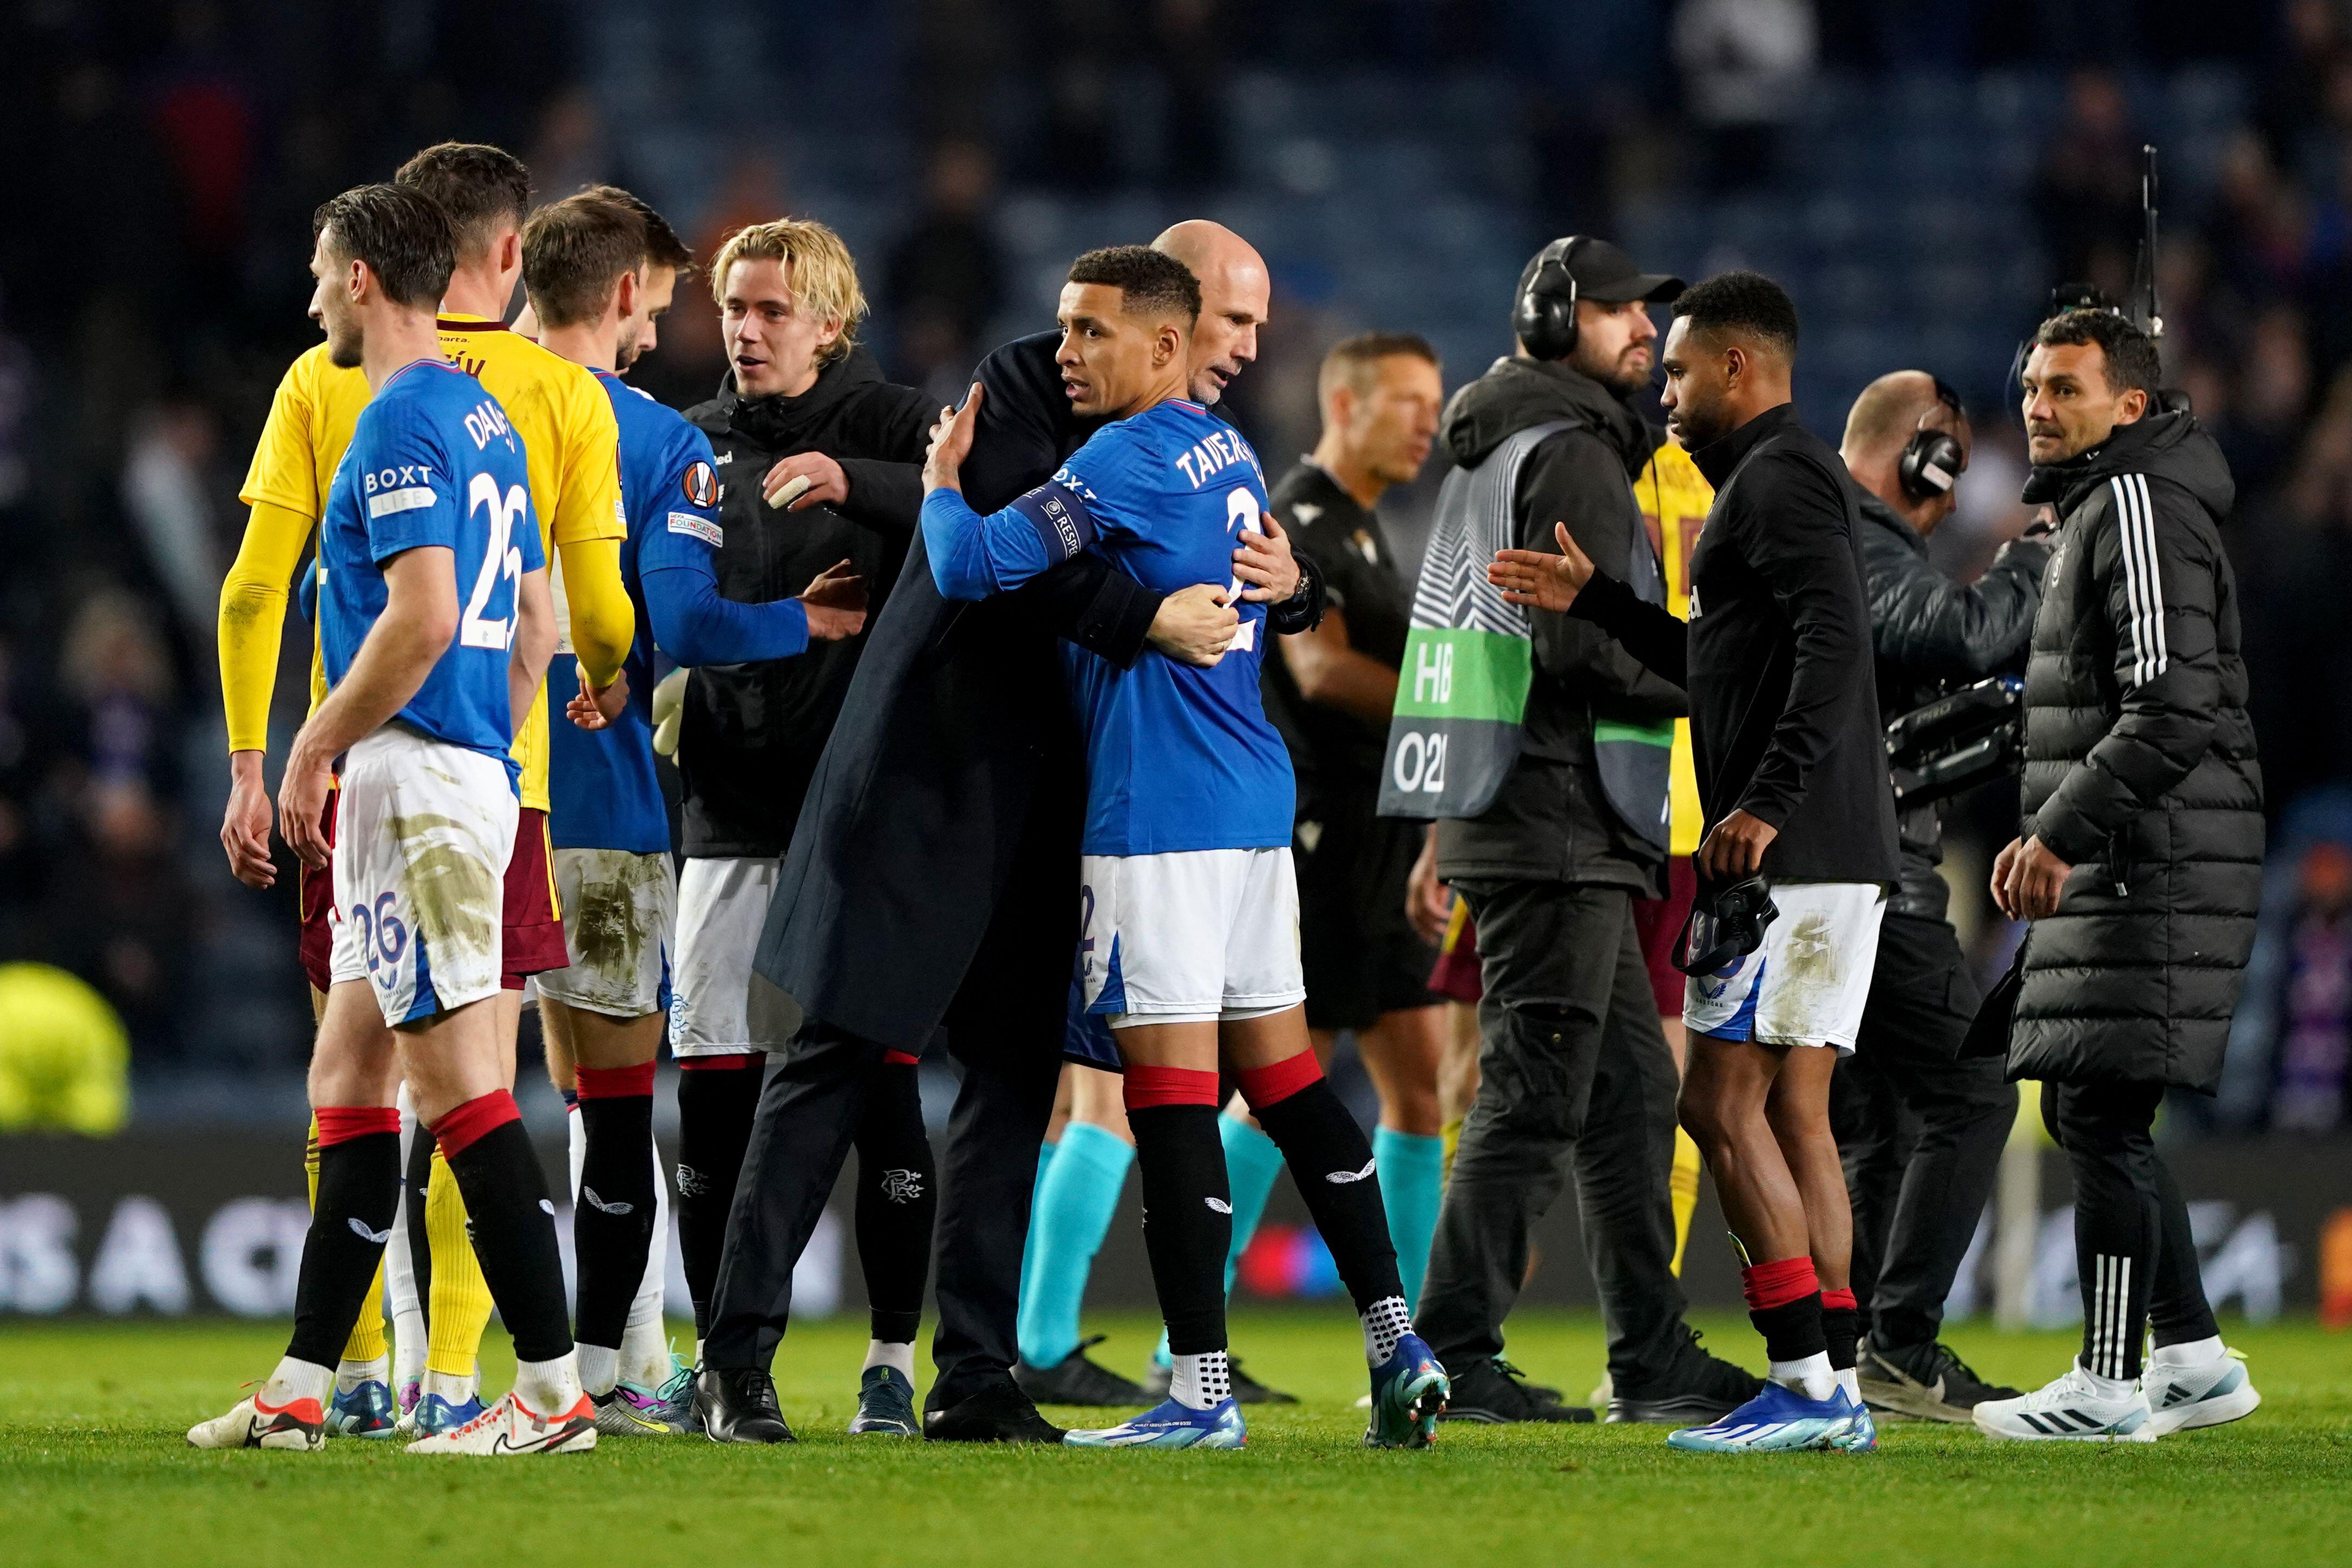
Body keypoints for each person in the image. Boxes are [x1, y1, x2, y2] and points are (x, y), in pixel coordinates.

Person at [732, 220, 1309, 1445]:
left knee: (1011, 1083)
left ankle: (976, 1375)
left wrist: (1292, 586)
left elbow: (1244, 574)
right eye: (1232, 322)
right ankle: (737, 1361)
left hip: (1054, 800)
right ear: (1170, 322)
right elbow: (1011, 557)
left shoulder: (1205, 448)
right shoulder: (1028, 381)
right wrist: (1145, 617)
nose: (1247, 350)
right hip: (930, 778)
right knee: (834, 1059)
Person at [922, 244, 1447, 1452]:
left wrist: (945, 480)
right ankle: (1397, 1343)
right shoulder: (1230, 451)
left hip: (1157, 819)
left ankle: (1200, 1391)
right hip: (1253, 811)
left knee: (1165, 1103)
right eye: (1063, 329)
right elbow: (1266, 588)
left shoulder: (1120, 458)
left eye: (1090, 332)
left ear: (1163, 343)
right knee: (1292, 1088)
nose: (1066, 353)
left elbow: (969, 565)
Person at [215, 139, 636, 1441]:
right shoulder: (489, 415)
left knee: (458, 1091)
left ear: (361, 277)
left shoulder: (395, 415)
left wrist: (310, 747)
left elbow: (422, 619)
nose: (310, 304)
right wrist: (483, 743)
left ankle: (550, 1391)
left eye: (318, 279)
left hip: (409, 780)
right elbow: (539, 623)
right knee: (347, 1073)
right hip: (456, 772)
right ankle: (301, 1385)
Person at [1490, 270, 1898, 1453]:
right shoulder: (1778, 479)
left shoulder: (1775, 481)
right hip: (1837, 849)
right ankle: (1837, 1380)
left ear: (1735, 366)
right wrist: (1602, 604)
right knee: (1796, 1114)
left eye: (1676, 370)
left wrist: (1764, 802)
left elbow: (1838, 644)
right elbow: (1722, 668)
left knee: (1717, 1106)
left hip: (1792, 853)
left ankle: (1805, 1384)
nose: (1661, 390)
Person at [1392, 238, 1757, 1428]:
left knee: (1630, 1097)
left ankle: (1649, 1355)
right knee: (1535, 1093)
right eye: (1617, 311)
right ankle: (1453, 1349)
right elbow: (1580, 642)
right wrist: (1712, 680)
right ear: (1555, 318)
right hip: (1557, 813)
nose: (1644, 330)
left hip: (1533, 808)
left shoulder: (1504, 442)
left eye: (1647, 313)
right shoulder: (1575, 450)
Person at [521, 192, 870, 1434]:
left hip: (458, 787)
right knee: (617, 1103)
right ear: (626, 293)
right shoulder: (654, 435)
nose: (672, 327)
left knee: (452, 1098)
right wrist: (802, 620)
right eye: (672, 302)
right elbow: (687, 620)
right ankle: (604, 1376)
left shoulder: (442, 401)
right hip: (596, 802)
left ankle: (406, 1373)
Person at [663, 218, 941, 1438]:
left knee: (882, 1097)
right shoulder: (693, 442)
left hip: (860, 815)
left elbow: (986, 509)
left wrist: (851, 482)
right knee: (716, 1092)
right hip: (727, 807)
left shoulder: (898, 423)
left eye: (772, 309)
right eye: (734, 305)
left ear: (830, 321)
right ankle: (729, 1367)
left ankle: (889, 1361)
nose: (745, 328)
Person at [1972, 309, 2264, 1442]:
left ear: (2129, 405)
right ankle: (2190, 1360)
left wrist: (2058, 833)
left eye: (2067, 388)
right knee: (2096, 1102)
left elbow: (2171, 704)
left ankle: (2104, 1386)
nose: (2038, 405)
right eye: (2032, 385)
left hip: (2151, 857)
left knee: (2095, 1107)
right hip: (2141, 850)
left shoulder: (2135, 501)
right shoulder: (2101, 504)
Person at [1835, 371, 2041, 1422]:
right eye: (1947, 459)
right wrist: (2036, 561)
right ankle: (1899, 1341)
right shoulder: (1856, 536)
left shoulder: (1844, 540)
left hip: (1854, 869)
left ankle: (1857, 1345)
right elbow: (1954, 631)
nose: (1954, 487)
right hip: (1871, 875)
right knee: (1974, 1088)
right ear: (1918, 453)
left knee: (1878, 1119)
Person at [1258, 333, 1449, 1321]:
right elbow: (1319, 668)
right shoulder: (1301, 517)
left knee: (1420, 1087)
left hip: (1382, 833)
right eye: (1409, 402)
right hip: (1324, 833)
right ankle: (1181, 1329)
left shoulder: (1362, 525)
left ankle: (1418, 1331)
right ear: (1344, 403)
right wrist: (1451, 705)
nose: (1429, 423)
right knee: (1280, 1083)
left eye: (1434, 404)